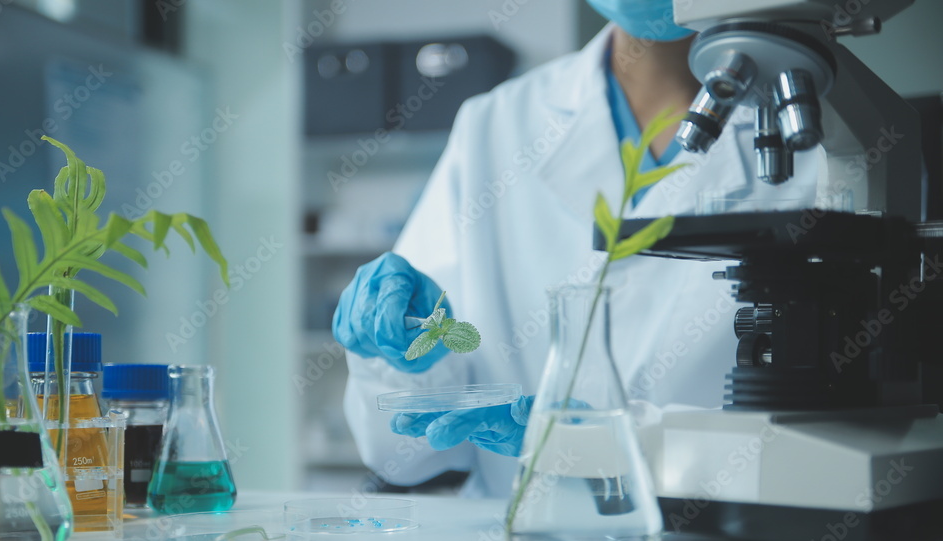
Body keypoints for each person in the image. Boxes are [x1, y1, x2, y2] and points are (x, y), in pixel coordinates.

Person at [332, 0, 819, 498]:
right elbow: (404, 457)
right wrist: (399, 356)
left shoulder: (829, 134)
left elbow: (831, 447)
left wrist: (621, 446)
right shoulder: (495, 123)